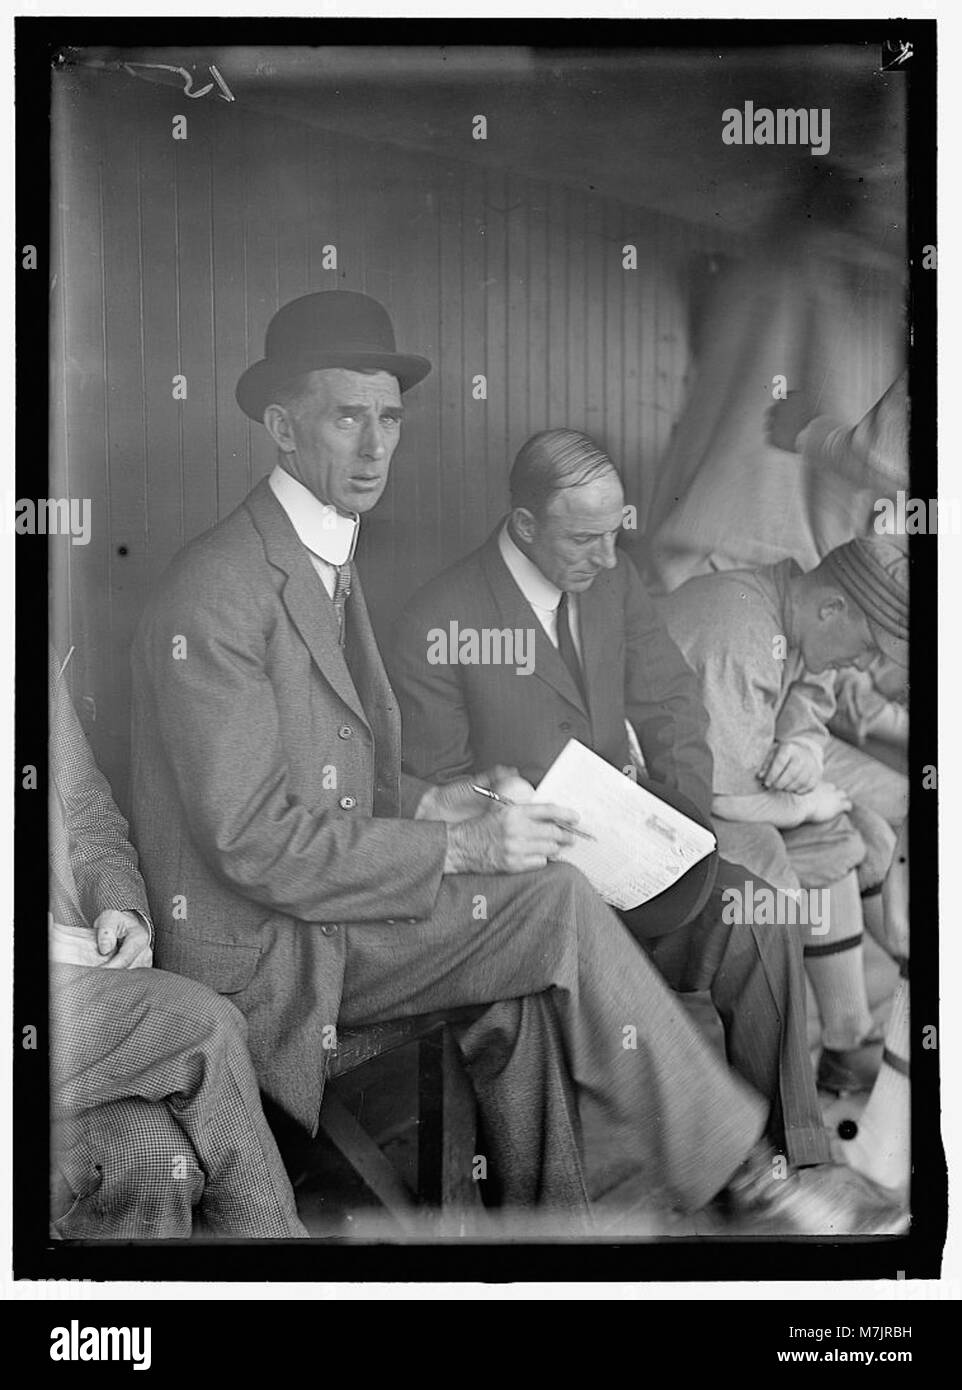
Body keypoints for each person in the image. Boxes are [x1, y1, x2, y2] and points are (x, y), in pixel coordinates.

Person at [130, 291, 901, 1234]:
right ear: (282, 428)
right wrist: (463, 849)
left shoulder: (323, 553)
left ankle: (560, 1241)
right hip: (267, 948)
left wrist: (441, 803)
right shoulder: (220, 588)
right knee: (550, 903)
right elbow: (252, 844)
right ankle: (755, 1184)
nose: (376, 447)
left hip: (331, 905)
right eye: (346, 417)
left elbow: (341, 781)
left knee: (539, 962)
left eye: (389, 418)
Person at [390, 428, 866, 1188]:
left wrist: (684, 832)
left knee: (761, 918)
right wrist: (498, 800)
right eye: (585, 539)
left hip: (636, 859)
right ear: (522, 526)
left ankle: (795, 1162)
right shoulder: (439, 617)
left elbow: (671, 702)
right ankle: (730, 1176)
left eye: (618, 534)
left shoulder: (612, 582)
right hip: (532, 891)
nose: (609, 558)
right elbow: (440, 787)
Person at [48, 650, 306, 1239]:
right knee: (203, 1024)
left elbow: (87, 816)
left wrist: (123, 908)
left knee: (151, 1156)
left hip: (81, 999)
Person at [657, 535, 909, 1095]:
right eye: (868, 647)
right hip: (660, 813)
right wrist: (802, 802)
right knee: (826, 832)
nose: (865, 667)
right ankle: (811, 1060)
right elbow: (718, 794)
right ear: (832, 608)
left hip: (716, 795)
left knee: (861, 829)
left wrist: (803, 745)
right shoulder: (741, 629)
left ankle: (856, 1033)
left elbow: (811, 690)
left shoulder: (793, 612)